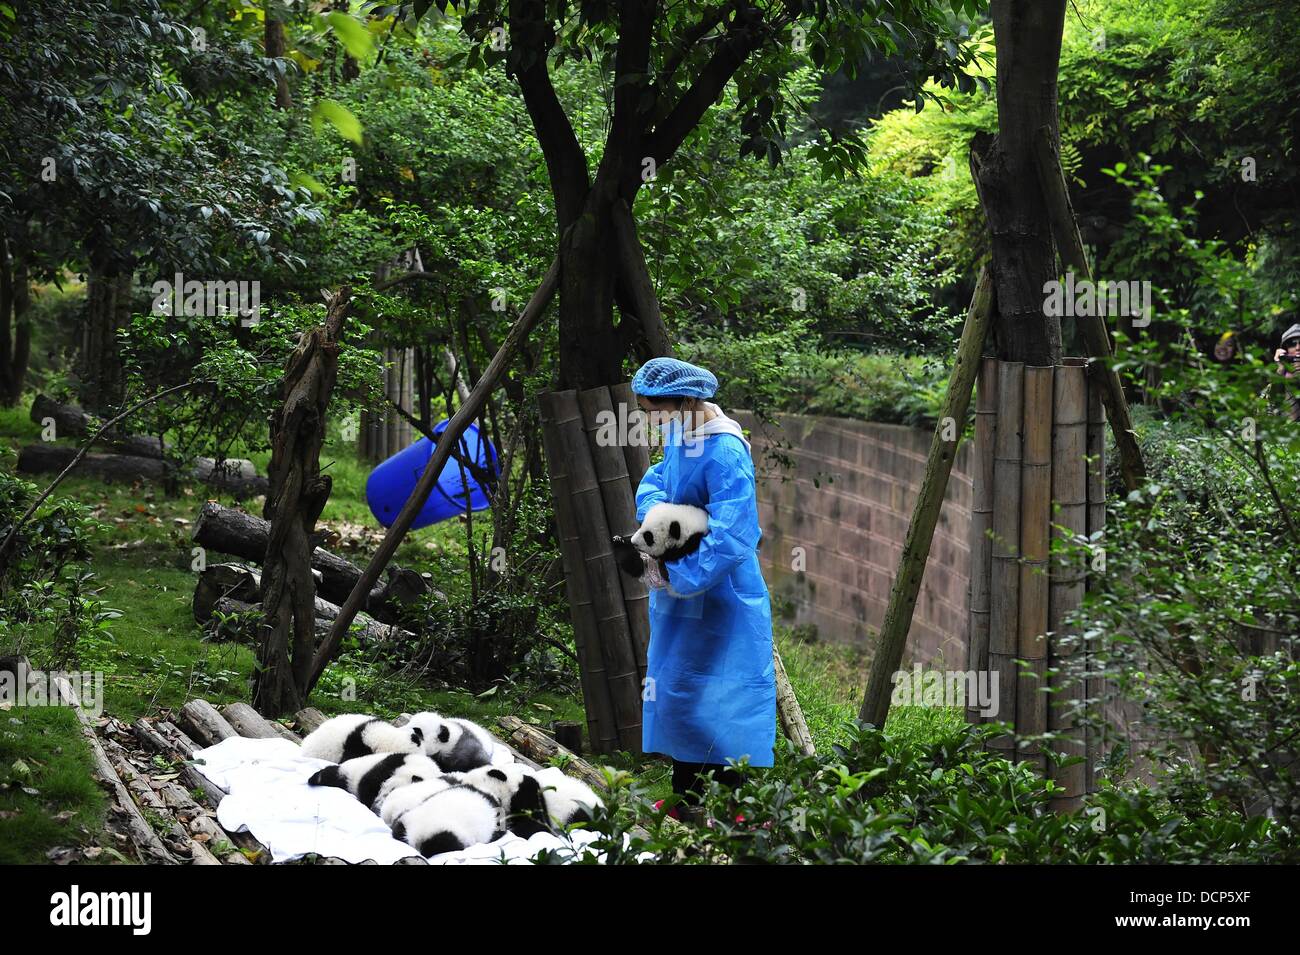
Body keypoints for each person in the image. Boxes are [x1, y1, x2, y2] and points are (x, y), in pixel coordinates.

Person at [629, 357, 777, 822]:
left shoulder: (726, 449)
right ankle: (685, 799)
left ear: (687, 399)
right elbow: (656, 480)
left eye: (659, 409)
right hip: (681, 587)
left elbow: (734, 533)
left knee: (726, 695)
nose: (655, 420)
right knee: (679, 691)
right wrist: (661, 519)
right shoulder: (682, 433)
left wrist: (684, 572)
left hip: (722, 591)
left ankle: (734, 805)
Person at [1273, 324, 1300, 421]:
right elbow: (1269, 399)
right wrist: (1280, 368)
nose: (1297, 348)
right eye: (1292, 344)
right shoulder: (1281, 372)